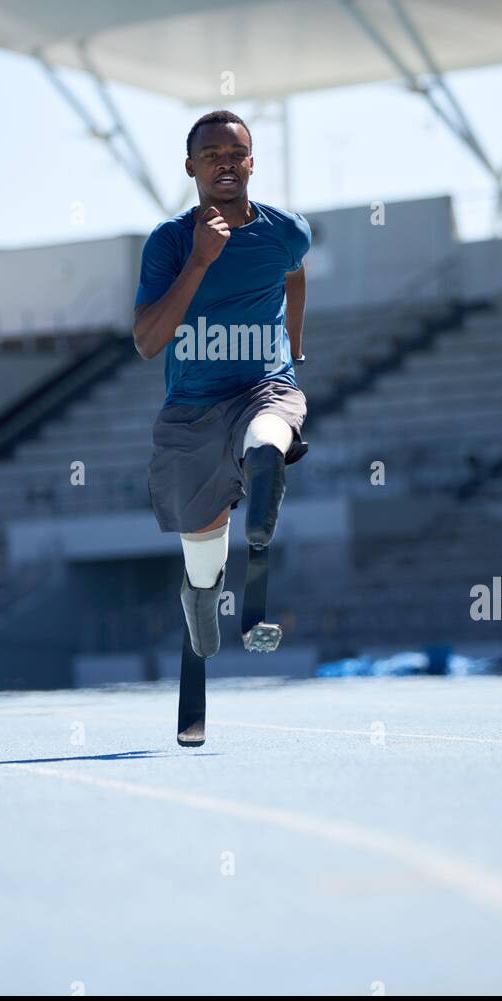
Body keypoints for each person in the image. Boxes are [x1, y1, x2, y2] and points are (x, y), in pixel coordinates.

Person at [133, 109, 310, 658]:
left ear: (252, 162)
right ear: (191, 167)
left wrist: (295, 345)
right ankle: (202, 599)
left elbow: (294, 270)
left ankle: (261, 494)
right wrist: (202, 261)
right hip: (192, 411)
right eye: (212, 155)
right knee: (204, 555)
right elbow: (147, 340)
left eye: (236, 153)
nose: (225, 163)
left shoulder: (285, 230)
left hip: (262, 386)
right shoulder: (168, 243)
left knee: (268, 433)